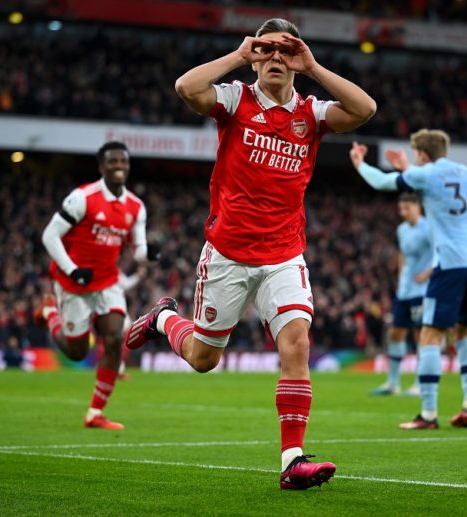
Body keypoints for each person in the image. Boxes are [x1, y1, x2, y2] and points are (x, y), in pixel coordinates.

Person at [125, 18, 376, 489]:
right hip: (228, 253)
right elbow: (186, 87)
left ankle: (292, 459)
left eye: (286, 51)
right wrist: (242, 55)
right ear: (256, 56)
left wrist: (314, 65)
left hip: (284, 254)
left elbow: (365, 109)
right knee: (203, 358)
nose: (276, 59)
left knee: (297, 343)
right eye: (268, 50)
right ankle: (163, 319)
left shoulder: (311, 112)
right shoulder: (236, 98)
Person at [349, 129, 467, 430]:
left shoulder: (427, 174)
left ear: (423, 155)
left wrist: (360, 163)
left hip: (450, 264)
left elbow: (383, 182)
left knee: (429, 336)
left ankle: (427, 414)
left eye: (416, 155)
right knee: (464, 334)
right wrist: (409, 170)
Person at [34, 141, 148, 430]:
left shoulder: (135, 206)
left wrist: (151, 253)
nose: (118, 166)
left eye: (123, 161)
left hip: (107, 281)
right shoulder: (83, 198)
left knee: (113, 339)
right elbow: (50, 235)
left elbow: (140, 250)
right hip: (73, 282)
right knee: (77, 351)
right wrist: (72, 270)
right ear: (101, 167)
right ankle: (50, 312)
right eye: (112, 162)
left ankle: (95, 413)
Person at [368, 191, 432, 396]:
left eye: (407, 208)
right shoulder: (402, 229)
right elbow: (402, 253)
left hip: (423, 290)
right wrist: (401, 277)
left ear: (418, 208)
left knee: (420, 334)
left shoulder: (429, 228)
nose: (404, 212)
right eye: (401, 208)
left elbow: (441, 253)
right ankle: (393, 383)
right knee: (396, 333)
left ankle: (420, 383)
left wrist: (427, 273)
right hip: (405, 290)